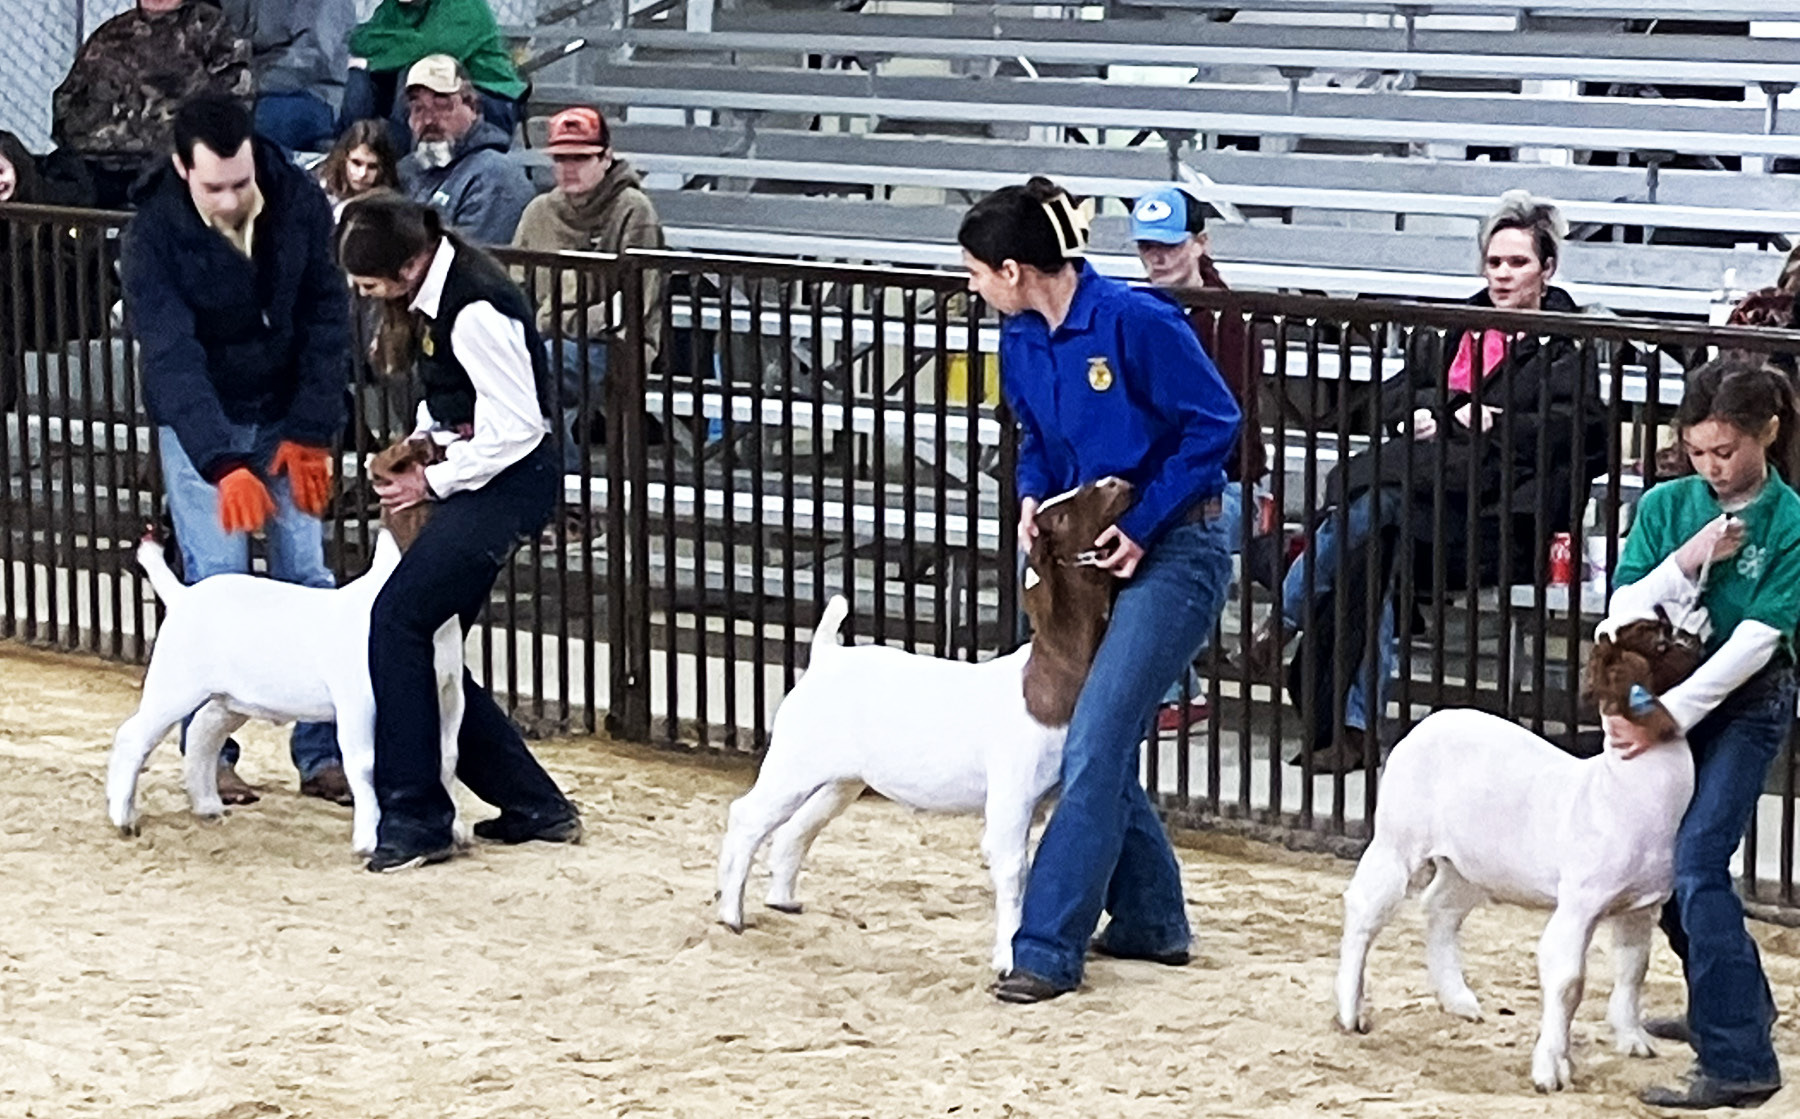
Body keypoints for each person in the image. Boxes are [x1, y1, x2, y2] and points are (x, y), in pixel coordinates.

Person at [959, 177, 1241, 1002]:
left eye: (976, 270)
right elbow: (1035, 438)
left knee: (1092, 738)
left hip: (1175, 548)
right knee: (1101, 737)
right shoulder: (1022, 337)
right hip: (1084, 546)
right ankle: (1153, 919)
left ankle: (1046, 943)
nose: (972, 285)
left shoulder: (1138, 321)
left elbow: (1214, 424)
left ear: (1014, 269)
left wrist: (1146, 522)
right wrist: (1029, 496)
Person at [1245, 190, 1602, 772]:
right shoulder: (1449, 329)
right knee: (1375, 550)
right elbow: (1389, 397)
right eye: (1495, 262)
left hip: (1500, 521)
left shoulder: (1570, 347)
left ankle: (1288, 614)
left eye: (1518, 263)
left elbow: (1582, 432)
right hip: (1429, 502)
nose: (1504, 275)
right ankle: (1355, 729)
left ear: (1548, 268)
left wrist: (1497, 421)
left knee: (1374, 514)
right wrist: (1434, 409)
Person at [334, 193, 582, 872]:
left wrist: (430, 481)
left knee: (399, 621)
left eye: (371, 283)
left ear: (410, 264)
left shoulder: (473, 308)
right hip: (482, 476)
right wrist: (421, 438)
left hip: (509, 485)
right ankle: (534, 804)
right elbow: (454, 399)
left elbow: (518, 426)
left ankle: (416, 819)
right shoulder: (438, 289)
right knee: (431, 645)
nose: (365, 295)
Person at [120, 94, 351, 805]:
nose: (230, 197)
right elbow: (170, 355)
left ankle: (323, 753)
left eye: (241, 182)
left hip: (287, 413)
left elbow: (326, 312)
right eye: (214, 185)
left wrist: (312, 432)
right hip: (204, 422)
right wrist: (219, 459)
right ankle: (208, 753)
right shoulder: (152, 232)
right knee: (213, 587)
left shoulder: (298, 196)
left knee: (308, 576)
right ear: (183, 168)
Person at [1604, 356, 1800, 1110]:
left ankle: (1740, 1057)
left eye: (1728, 451)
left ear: (1769, 432)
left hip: (1749, 700)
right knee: (1669, 862)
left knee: (1696, 863)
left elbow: (1758, 639)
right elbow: (1622, 604)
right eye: (1699, 452)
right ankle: (1734, 1003)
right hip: (1666, 686)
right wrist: (1687, 559)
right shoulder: (1666, 506)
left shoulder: (1789, 524)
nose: (1713, 468)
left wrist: (1670, 714)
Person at [1130, 184, 1267, 732]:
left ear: (1200, 243)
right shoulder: (1139, 311)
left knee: (1159, 538)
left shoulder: (1228, 321)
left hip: (1229, 485)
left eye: (1169, 245)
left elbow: (1217, 432)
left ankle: (1175, 692)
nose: (1157, 258)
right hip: (1163, 480)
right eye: (1147, 247)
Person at [511, 106, 665, 473]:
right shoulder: (539, 212)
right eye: (561, 158)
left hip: (620, 344)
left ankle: (567, 494)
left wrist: (553, 319)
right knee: (503, 369)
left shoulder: (633, 209)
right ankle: (554, 492)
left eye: (580, 158)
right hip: (551, 340)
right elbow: (515, 286)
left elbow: (630, 305)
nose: (569, 167)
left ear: (606, 157)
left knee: (534, 370)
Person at [52, 0, 252, 210]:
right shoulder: (111, 33)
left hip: (168, 167)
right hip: (97, 165)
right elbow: (66, 102)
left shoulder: (211, 29)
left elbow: (233, 105)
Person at [343, 0, 528, 149]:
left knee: (414, 72)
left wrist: (380, 56)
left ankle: (400, 156)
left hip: (487, 95)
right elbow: (360, 39)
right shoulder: (394, 7)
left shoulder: (466, 5)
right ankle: (346, 146)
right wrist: (410, 42)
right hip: (431, 93)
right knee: (361, 74)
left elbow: (432, 49)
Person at [397, 54, 534, 246]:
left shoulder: (496, 176)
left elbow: (472, 266)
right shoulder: (406, 170)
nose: (428, 120)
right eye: (418, 108)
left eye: (442, 106)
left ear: (472, 107)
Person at [219, 0, 358, 154]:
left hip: (308, 92)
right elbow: (228, 24)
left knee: (247, 131)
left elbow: (313, 57)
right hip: (252, 85)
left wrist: (254, 78)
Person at [317, 121, 403, 216]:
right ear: (343, 159)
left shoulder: (393, 207)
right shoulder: (320, 190)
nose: (362, 174)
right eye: (356, 163)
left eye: (372, 167)